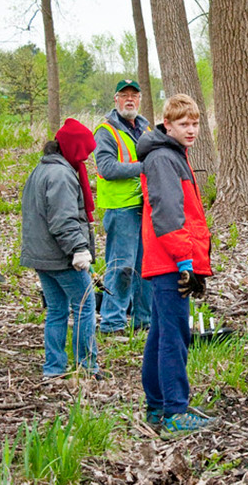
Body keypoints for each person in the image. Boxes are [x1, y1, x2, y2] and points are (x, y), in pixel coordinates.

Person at [138, 94, 215, 433]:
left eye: (195, 123)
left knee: (160, 333)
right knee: (174, 335)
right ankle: (174, 411)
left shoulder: (174, 156)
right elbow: (167, 214)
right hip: (170, 260)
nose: (191, 130)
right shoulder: (162, 159)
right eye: (184, 124)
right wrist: (185, 261)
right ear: (167, 125)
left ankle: (157, 405)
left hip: (170, 259)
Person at [21, 119, 103, 379]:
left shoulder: (42, 169)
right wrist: (79, 249)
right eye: (85, 153)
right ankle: (86, 367)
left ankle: (53, 368)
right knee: (84, 305)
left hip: (41, 255)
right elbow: (63, 220)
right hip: (61, 256)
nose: (87, 159)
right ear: (74, 148)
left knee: (57, 310)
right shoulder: (62, 175)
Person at [94, 79, 153, 333]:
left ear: (140, 100)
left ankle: (144, 321)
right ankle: (113, 322)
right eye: (124, 95)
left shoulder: (146, 128)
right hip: (122, 209)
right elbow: (106, 168)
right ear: (115, 99)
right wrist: (144, 168)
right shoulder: (106, 130)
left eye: (134, 95)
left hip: (147, 207)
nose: (130, 99)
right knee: (121, 267)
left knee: (146, 268)